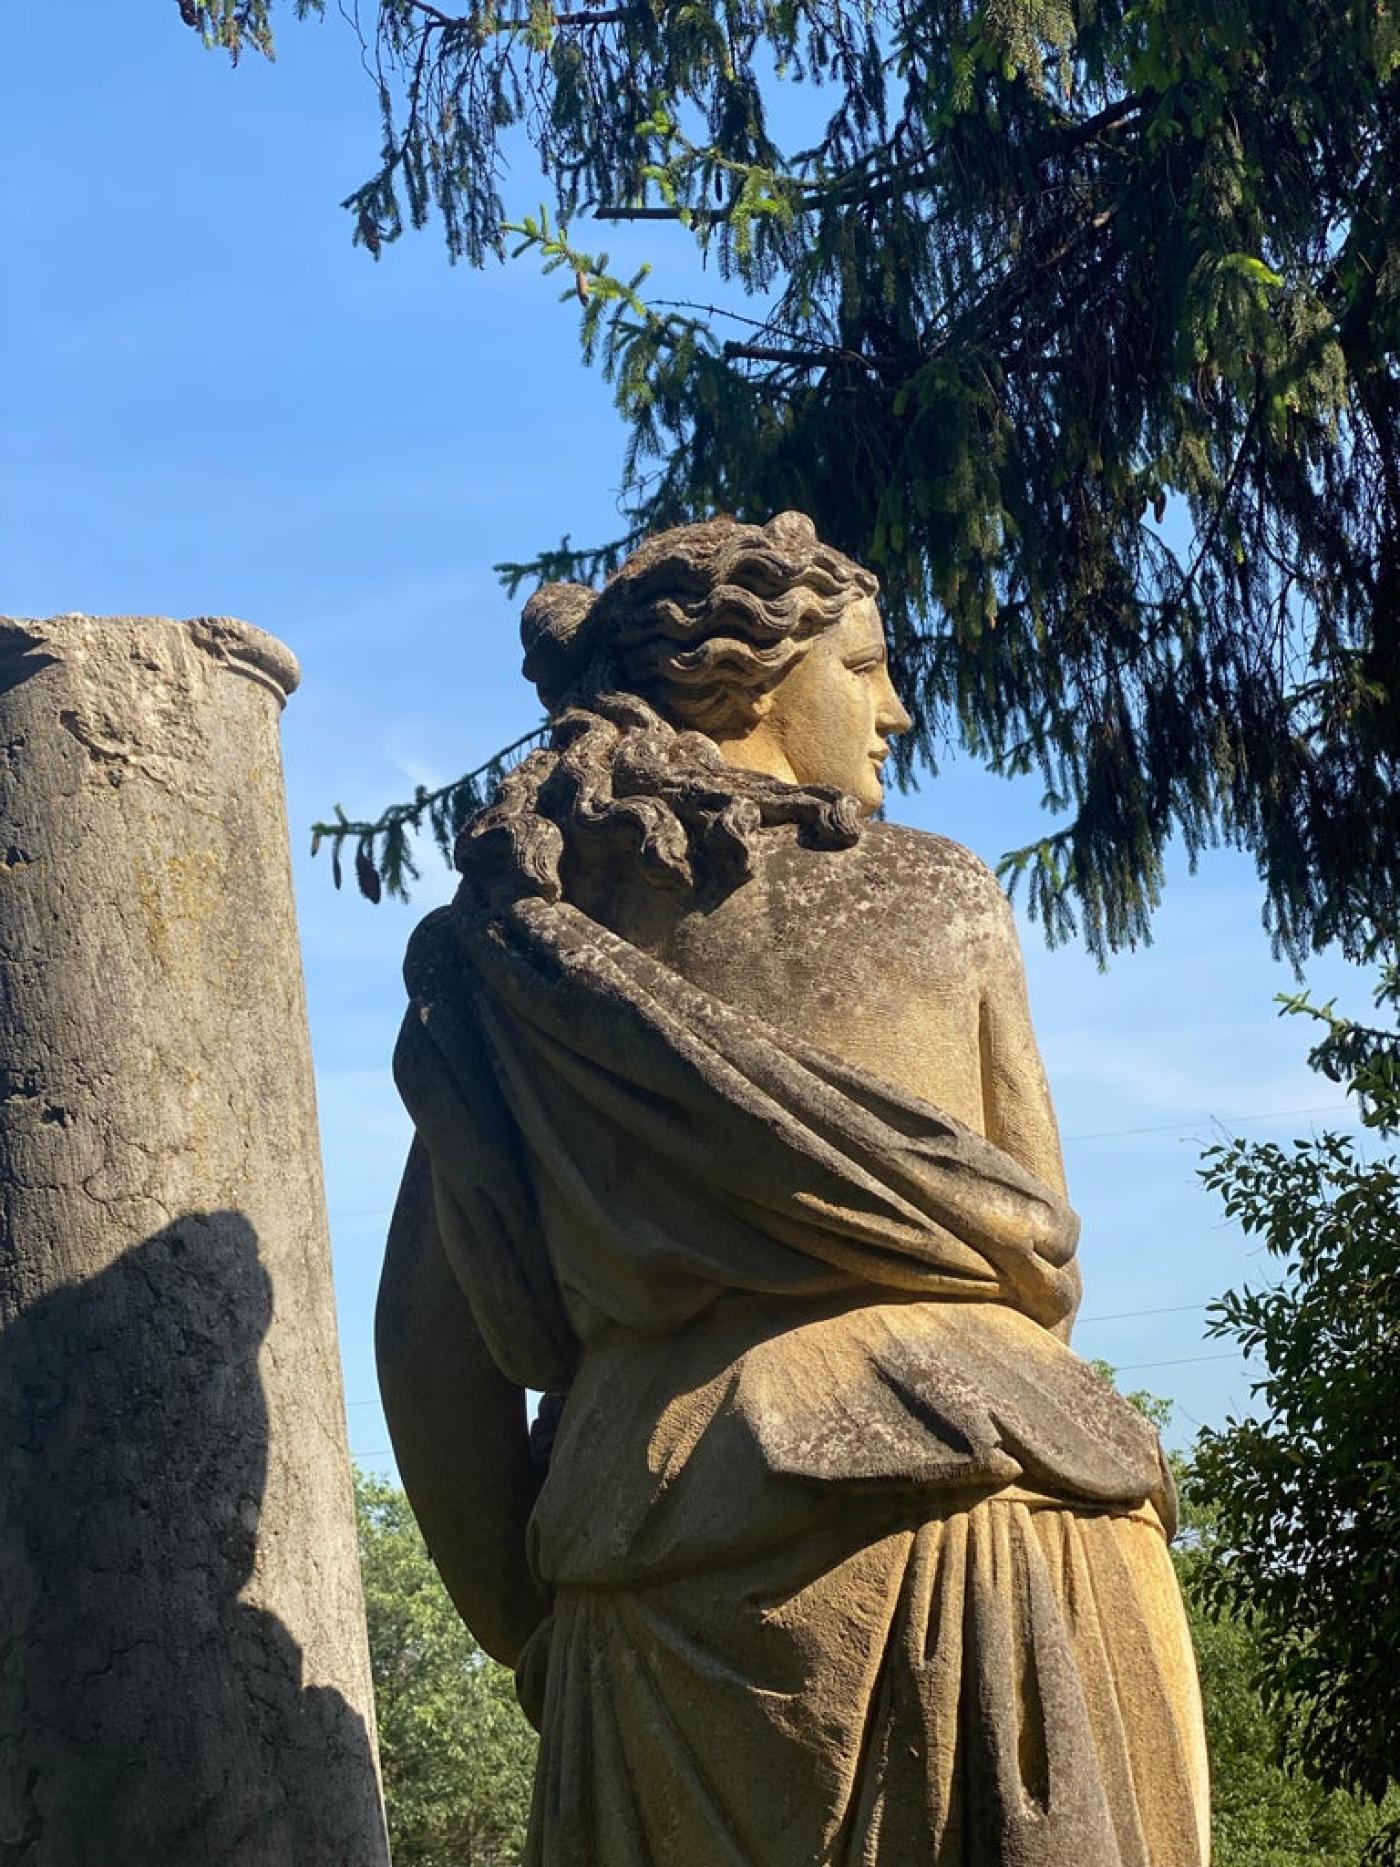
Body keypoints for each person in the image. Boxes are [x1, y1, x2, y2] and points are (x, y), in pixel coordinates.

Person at [381, 512, 1210, 1866]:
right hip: (1022, 1521)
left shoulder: (519, 952)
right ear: (743, 680)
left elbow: (431, 1359)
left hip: (658, 1548)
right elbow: (1044, 1264)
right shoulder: (940, 895)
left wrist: (541, 1633)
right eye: (865, 667)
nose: (894, 711)